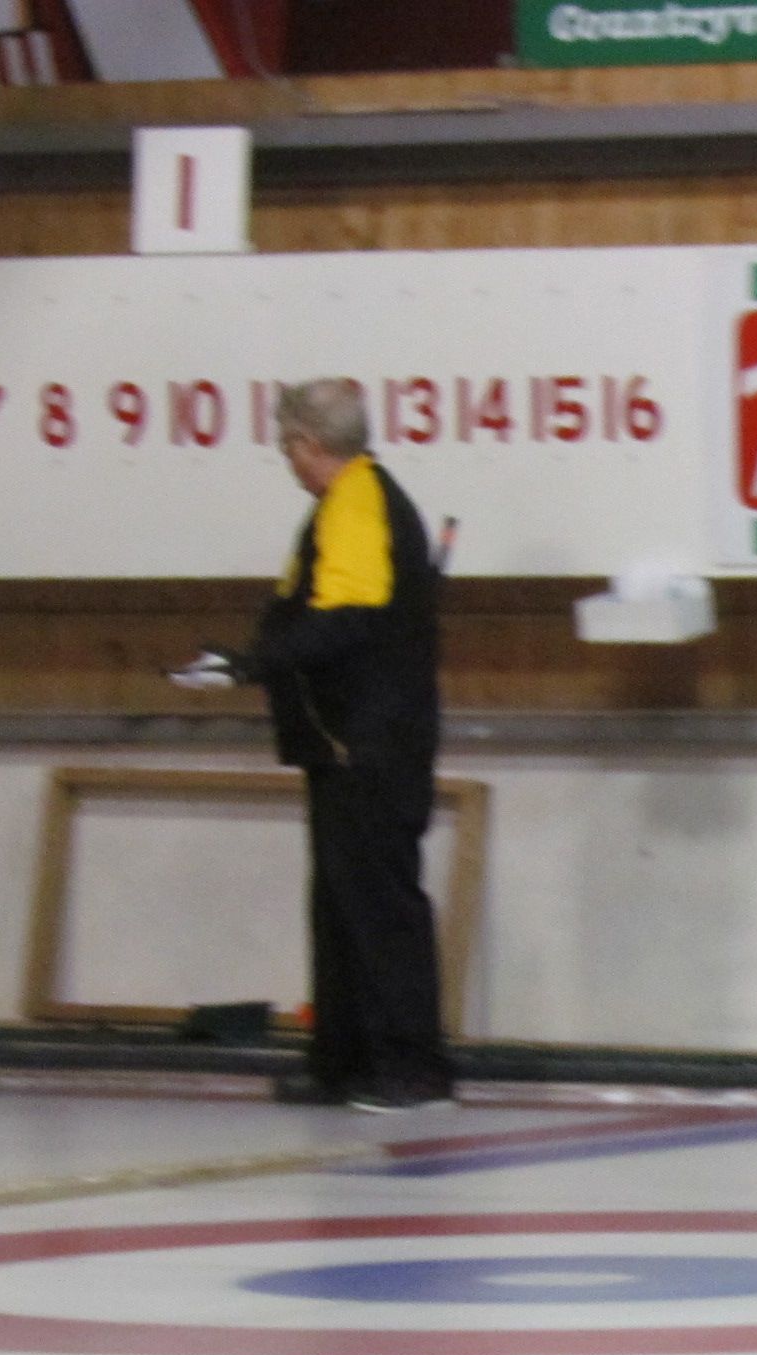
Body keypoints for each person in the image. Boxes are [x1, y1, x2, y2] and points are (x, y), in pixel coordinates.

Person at [187, 379, 453, 1111]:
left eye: (286, 446)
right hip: (343, 747)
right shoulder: (342, 507)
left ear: (309, 444)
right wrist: (252, 655)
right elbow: (310, 608)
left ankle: (414, 1069)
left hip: (369, 744)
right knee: (339, 906)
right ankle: (343, 1060)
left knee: (379, 906)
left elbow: (347, 616)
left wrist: (252, 664)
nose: (287, 460)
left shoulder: (361, 502)